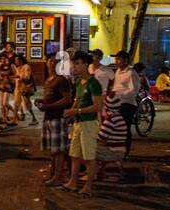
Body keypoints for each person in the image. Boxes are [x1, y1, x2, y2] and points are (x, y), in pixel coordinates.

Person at [63, 50, 104, 196]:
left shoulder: (94, 83)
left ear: (86, 64)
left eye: (78, 64)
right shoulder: (79, 83)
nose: (75, 67)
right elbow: (77, 101)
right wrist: (70, 112)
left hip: (89, 123)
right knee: (74, 155)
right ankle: (73, 182)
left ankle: (88, 186)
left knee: (88, 157)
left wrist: (77, 111)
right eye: (74, 64)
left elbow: (98, 106)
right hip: (78, 123)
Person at [37, 51, 73, 187]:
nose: (52, 63)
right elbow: (50, 97)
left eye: (55, 61)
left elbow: (67, 99)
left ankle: (58, 177)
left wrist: (49, 106)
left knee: (59, 150)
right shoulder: (48, 80)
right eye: (50, 61)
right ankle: (55, 174)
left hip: (57, 117)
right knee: (53, 149)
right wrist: (42, 102)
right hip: (48, 117)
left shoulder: (61, 80)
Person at [111, 49, 141, 155]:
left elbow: (134, 90)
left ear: (125, 60)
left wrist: (120, 95)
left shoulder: (131, 73)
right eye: (116, 59)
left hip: (127, 104)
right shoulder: (118, 72)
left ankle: (125, 152)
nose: (116, 61)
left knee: (125, 128)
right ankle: (117, 151)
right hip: (117, 103)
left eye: (119, 59)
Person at [95, 89, 130, 181]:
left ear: (106, 108)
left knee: (86, 150)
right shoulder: (119, 118)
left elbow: (101, 139)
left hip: (112, 152)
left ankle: (92, 173)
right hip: (120, 150)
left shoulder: (110, 120)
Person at [0, 41, 17, 124]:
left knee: (5, 103)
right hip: (1, 83)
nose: (3, 59)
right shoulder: (1, 63)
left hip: (9, 83)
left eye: (9, 46)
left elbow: (16, 73)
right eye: (6, 47)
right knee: (1, 104)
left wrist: (13, 79)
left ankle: (16, 113)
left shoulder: (13, 61)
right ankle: (4, 118)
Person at [13, 54, 35, 123]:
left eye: (17, 60)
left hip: (24, 88)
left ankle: (34, 118)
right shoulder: (18, 68)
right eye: (15, 60)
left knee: (27, 104)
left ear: (21, 60)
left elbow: (27, 77)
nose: (16, 62)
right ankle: (14, 119)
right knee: (16, 104)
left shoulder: (26, 67)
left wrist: (19, 77)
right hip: (18, 88)